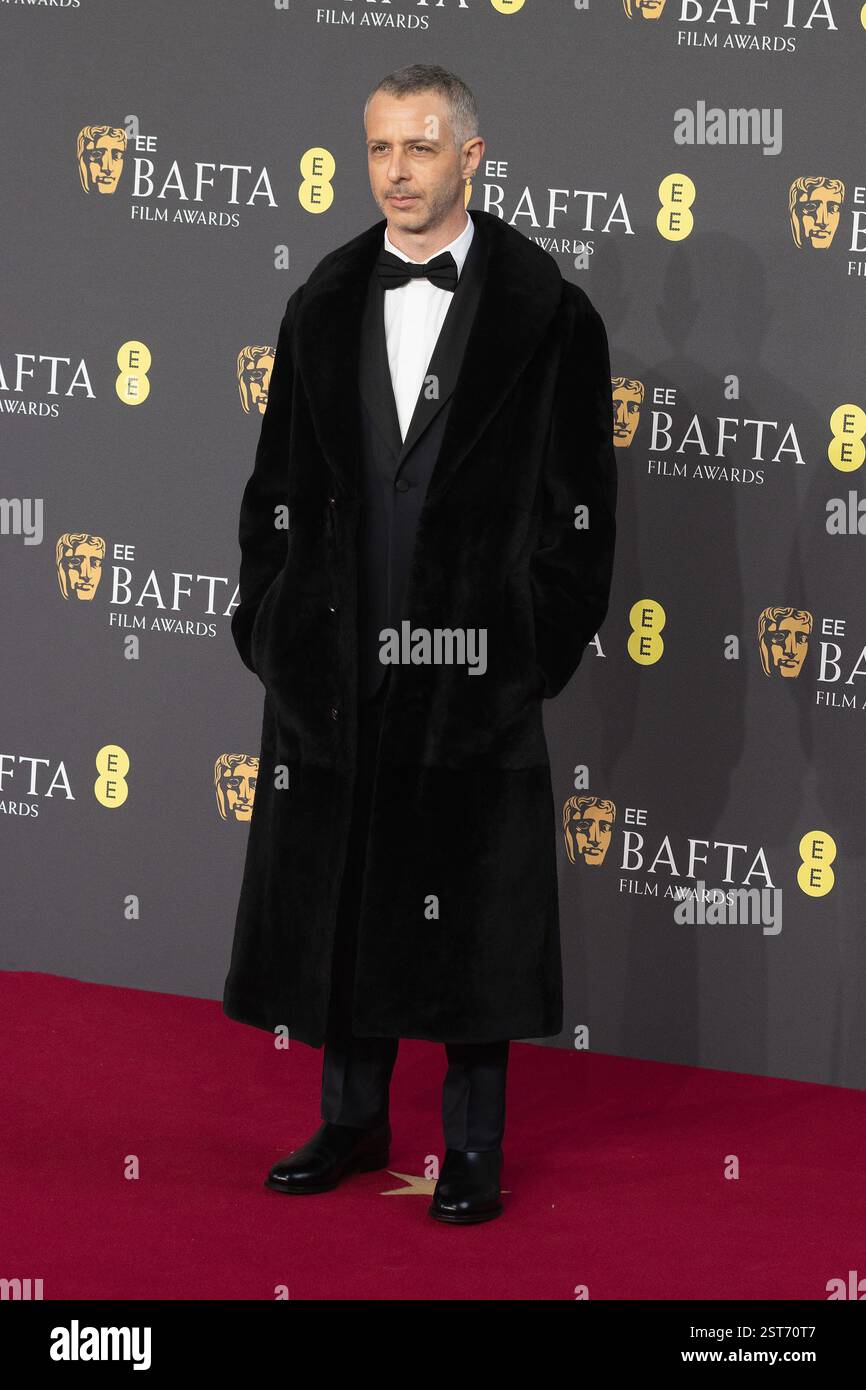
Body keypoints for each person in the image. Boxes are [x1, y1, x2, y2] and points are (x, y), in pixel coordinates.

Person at [223, 63, 618, 1225]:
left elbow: (578, 509)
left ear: (471, 159)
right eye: (380, 150)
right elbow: (275, 492)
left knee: (470, 911)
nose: (397, 171)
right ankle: (350, 1119)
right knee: (347, 896)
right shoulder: (321, 302)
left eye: (421, 148)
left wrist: (523, 651)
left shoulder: (549, 316)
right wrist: (274, 624)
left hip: (471, 672)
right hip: (336, 668)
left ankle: (475, 1145)